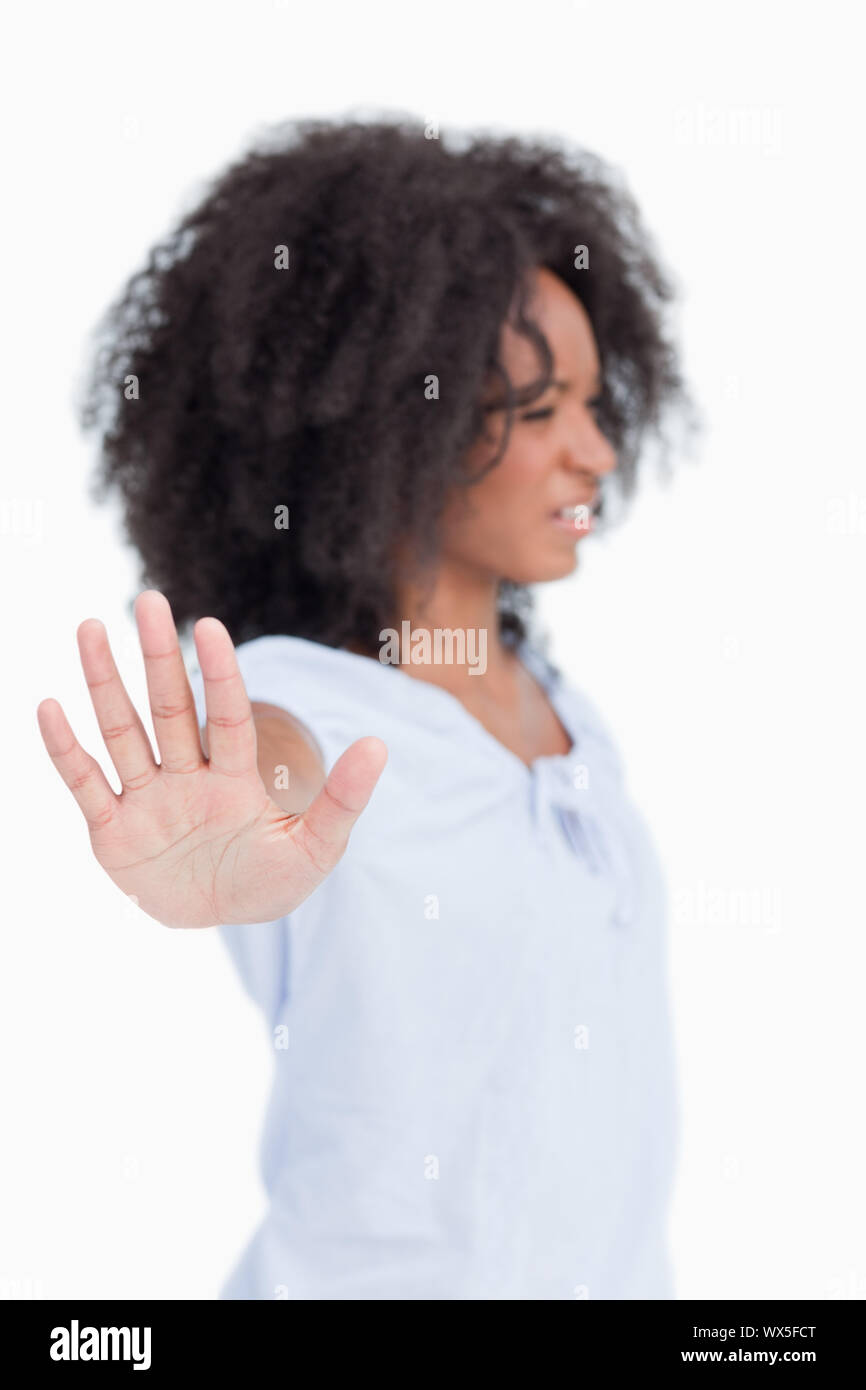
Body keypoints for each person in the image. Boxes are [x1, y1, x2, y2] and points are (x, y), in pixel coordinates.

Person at [37, 116, 695, 1299]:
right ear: (398, 426)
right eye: (541, 414)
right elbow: (277, 758)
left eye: (598, 406)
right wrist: (240, 798)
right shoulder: (308, 701)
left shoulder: (559, 709)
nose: (594, 453)